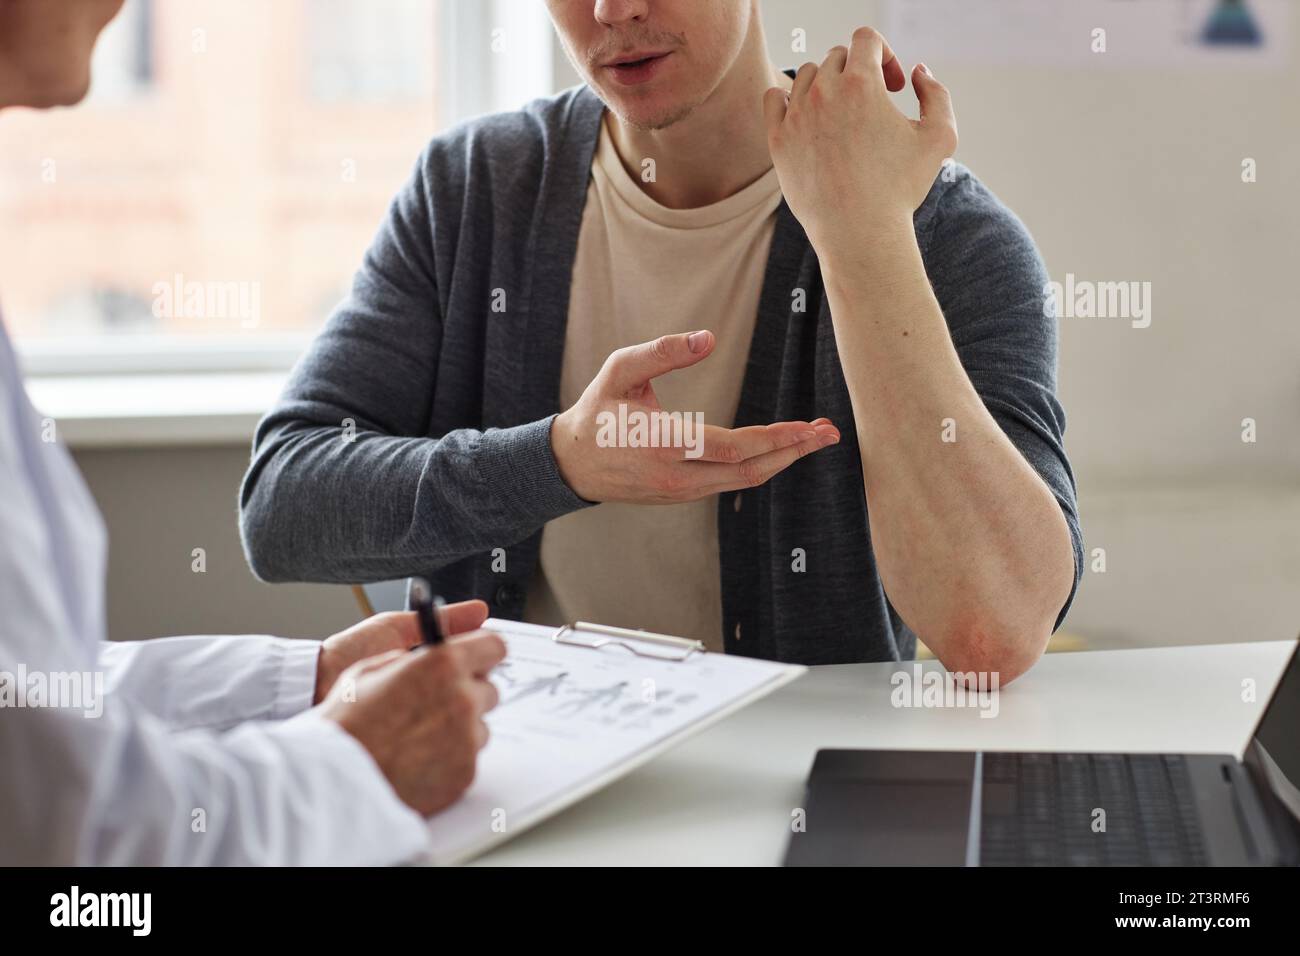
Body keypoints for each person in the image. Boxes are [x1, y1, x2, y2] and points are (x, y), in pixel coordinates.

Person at [241, 0, 1083, 683]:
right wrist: (561, 461)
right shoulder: (472, 190)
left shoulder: (943, 234)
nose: (615, 10)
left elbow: (992, 632)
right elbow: (280, 508)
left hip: (796, 791)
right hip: (509, 782)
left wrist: (863, 232)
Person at [0, 0, 504, 866]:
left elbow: (37, 706)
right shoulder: (469, 180)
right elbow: (71, 836)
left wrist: (302, 683)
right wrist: (356, 760)